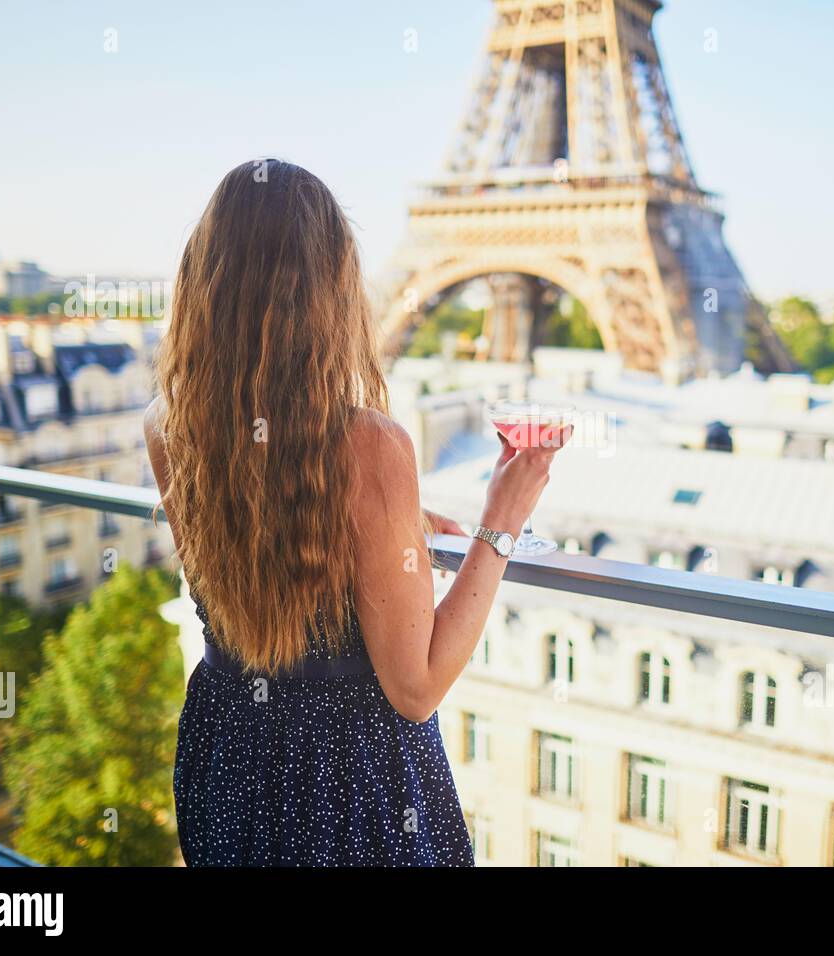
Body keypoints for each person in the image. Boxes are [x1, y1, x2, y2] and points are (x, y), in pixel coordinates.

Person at [145, 158, 566, 865]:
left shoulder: (168, 426)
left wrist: (388, 522)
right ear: (330, 291)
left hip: (229, 749)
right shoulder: (369, 446)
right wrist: (503, 518)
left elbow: (240, 564)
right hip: (346, 780)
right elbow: (416, 688)